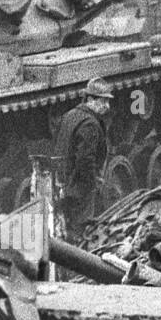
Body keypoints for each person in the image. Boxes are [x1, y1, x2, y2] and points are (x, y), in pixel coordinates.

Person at [54, 77, 113, 228]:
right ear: (91, 99)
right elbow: (85, 159)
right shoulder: (90, 124)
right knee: (82, 229)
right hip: (80, 187)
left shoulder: (69, 115)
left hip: (63, 182)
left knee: (65, 226)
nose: (107, 106)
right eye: (104, 101)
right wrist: (92, 184)